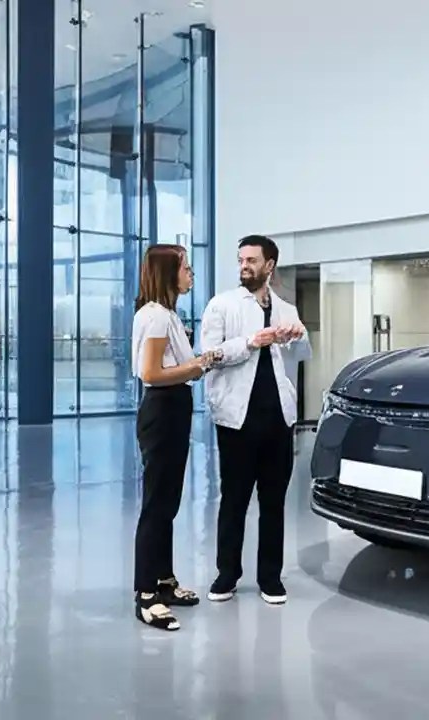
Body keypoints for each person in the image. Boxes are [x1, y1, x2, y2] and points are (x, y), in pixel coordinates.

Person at [201, 235, 311, 605]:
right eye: (241, 260)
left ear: (270, 265)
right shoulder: (222, 305)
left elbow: (302, 353)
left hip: (278, 419)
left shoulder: (286, 308)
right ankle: (227, 574)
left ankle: (270, 578)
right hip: (237, 420)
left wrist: (295, 336)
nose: (244, 266)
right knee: (233, 499)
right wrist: (251, 341)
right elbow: (210, 355)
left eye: (251, 260)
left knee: (274, 501)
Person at [131, 244, 221, 630]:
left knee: (167, 503)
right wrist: (195, 367)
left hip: (174, 409)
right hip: (163, 410)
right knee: (156, 505)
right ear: (169, 273)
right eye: (186, 268)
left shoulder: (166, 315)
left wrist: (195, 365)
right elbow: (150, 373)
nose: (191, 274)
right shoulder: (154, 318)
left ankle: (164, 581)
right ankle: (146, 595)